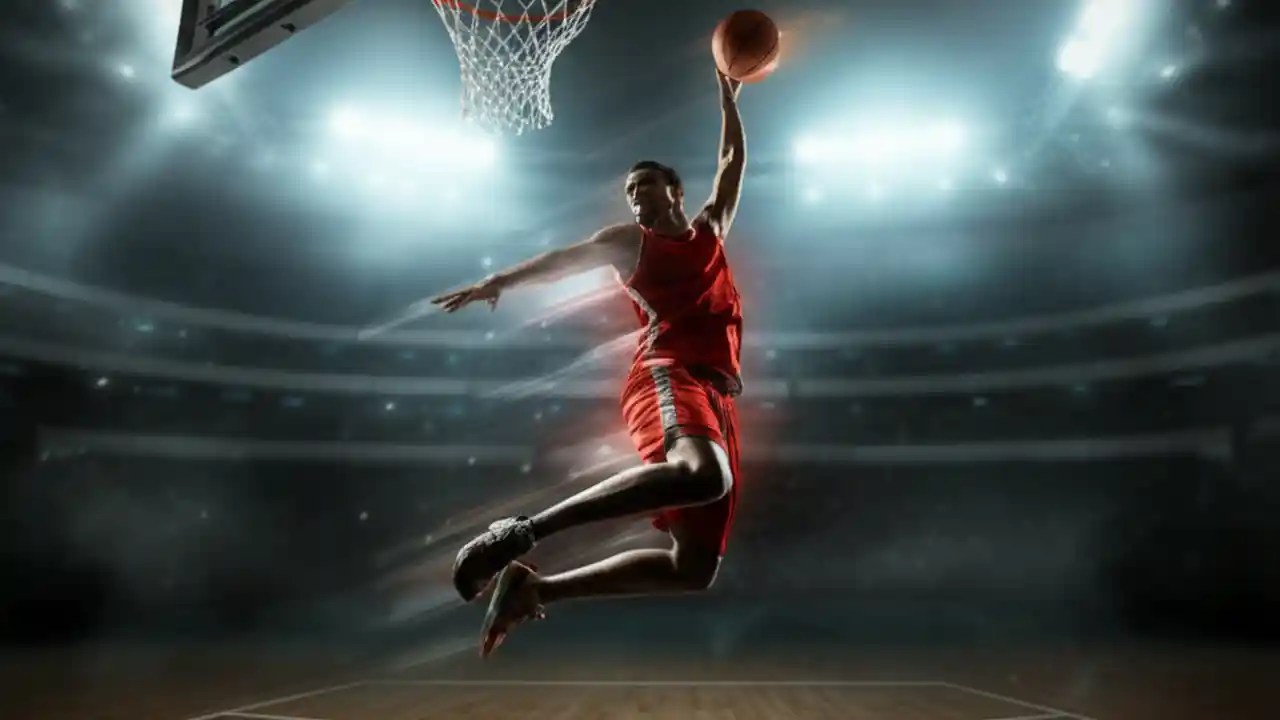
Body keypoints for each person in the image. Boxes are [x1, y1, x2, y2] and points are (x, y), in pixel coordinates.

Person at [431, 69, 747, 657]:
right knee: (706, 476)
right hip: (666, 370)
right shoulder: (631, 243)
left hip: (717, 393)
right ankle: (523, 532)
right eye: (629, 191)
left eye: (644, 185)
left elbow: (730, 160)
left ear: (674, 189)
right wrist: (500, 279)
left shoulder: (710, 231)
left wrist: (729, 97)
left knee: (693, 568)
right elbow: (564, 259)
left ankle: (534, 586)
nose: (634, 196)